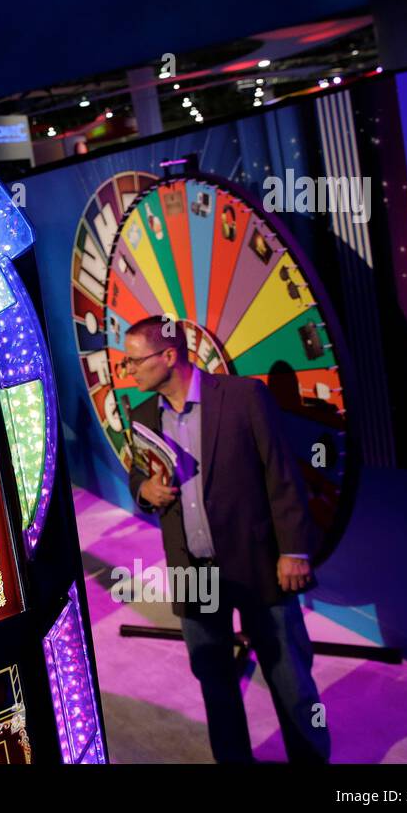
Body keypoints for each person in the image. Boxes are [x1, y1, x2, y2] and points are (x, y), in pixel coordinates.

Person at [124, 315, 330, 764]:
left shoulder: (242, 398)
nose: (128, 371)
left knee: (291, 680)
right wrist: (143, 489)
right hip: (193, 571)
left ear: (168, 356)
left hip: (257, 561)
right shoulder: (141, 417)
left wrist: (293, 551)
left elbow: (282, 474)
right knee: (216, 683)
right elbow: (137, 471)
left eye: (135, 361)